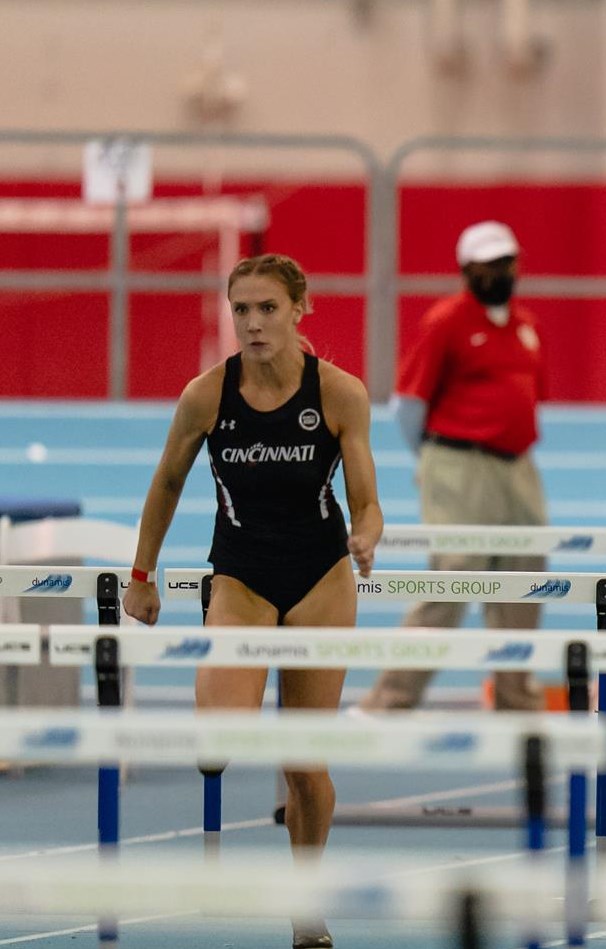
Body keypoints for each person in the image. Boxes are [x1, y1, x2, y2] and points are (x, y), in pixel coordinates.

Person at [123, 254, 381, 949]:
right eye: (242, 310)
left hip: (321, 577)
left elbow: (366, 499)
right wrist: (141, 573)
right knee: (219, 740)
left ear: (299, 308)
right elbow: (167, 482)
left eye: (268, 308)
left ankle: (306, 904)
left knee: (305, 763)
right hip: (240, 575)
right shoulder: (207, 395)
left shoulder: (340, 394)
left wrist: (367, 534)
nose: (254, 323)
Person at [360, 220, 552, 712]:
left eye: (506, 263)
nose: (499, 273)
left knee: (526, 577)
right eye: (488, 266)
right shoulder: (446, 321)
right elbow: (408, 404)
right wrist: (434, 461)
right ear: (466, 271)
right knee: (453, 577)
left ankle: (515, 700)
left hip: (518, 466)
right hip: (458, 462)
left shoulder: (526, 326)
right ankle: (389, 701)